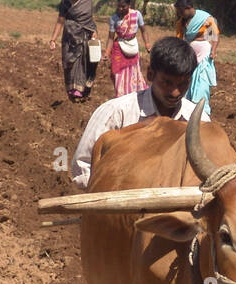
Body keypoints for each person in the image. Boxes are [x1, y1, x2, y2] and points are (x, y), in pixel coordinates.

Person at [70, 35, 209, 189]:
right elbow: (82, 167)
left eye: (183, 84)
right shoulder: (117, 113)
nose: (175, 92)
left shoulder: (200, 121)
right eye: (167, 82)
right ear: (150, 74)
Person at [49, 0, 98, 103]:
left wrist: (94, 32)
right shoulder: (65, 3)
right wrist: (53, 39)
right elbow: (60, 21)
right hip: (70, 39)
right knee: (70, 64)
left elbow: (90, 20)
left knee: (84, 63)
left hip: (84, 37)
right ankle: (72, 92)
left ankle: (82, 92)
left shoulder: (87, 1)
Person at [174, 0, 219, 108]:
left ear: (188, 8)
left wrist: (213, 51)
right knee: (187, 83)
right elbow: (179, 39)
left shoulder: (205, 18)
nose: (179, 14)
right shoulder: (181, 23)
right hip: (190, 57)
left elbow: (213, 35)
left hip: (204, 55)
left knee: (201, 83)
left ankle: (201, 109)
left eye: (181, 11)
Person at [107, 0, 149, 95]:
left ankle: (132, 95)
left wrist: (147, 44)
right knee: (116, 73)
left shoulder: (136, 15)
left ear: (129, 5)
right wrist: (107, 52)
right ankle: (120, 95)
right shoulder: (114, 18)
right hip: (119, 47)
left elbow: (143, 30)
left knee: (133, 72)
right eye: (119, 6)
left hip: (132, 46)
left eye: (123, 6)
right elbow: (111, 37)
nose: (121, 9)